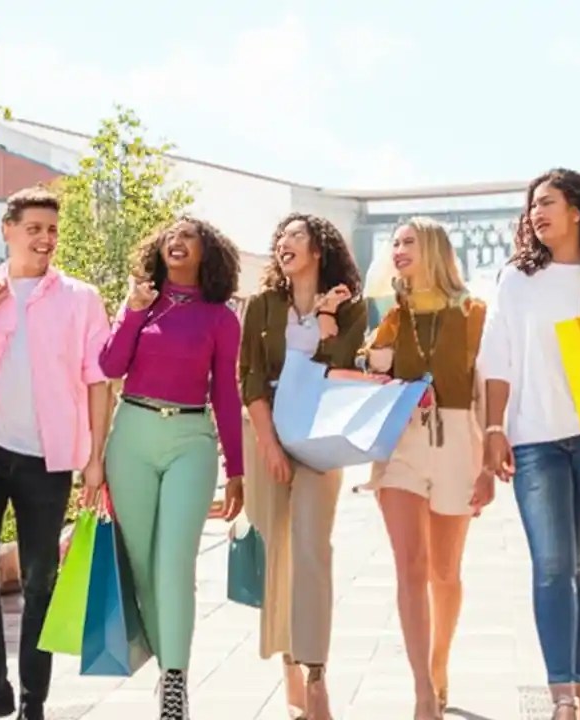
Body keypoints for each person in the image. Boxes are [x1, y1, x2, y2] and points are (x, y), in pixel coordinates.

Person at [0, 185, 112, 720]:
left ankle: (33, 698)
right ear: (9, 230)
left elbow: (97, 380)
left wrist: (95, 458)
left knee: (41, 580)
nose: (46, 239)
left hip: (47, 460)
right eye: (35, 228)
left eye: (52, 230)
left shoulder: (80, 299)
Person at [480, 168, 580, 720]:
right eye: (532, 205)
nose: (536, 213)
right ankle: (560, 696)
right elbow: (498, 356)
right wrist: (494, 429)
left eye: (548, 203)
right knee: (552, 565)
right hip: (536, 438)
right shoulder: (517, 279)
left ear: (577, 212)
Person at [96, 216, 245, 720]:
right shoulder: (140, 302)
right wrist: (134, 313)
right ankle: (166, 671)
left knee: (174, 564)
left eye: (189, 236)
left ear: (208, 252)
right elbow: (111, 366)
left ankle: (176, 684)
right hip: (132, 436)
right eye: (170, 236)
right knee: (141, 566)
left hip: (191, 441)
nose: (177, 242)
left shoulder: (221, 317)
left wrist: (237, 470)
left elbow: (225, 393)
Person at [358, 217, 493, 720]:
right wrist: (376, 339)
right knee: (410, 567)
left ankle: (439, 664)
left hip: (458, 441)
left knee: (444, 571)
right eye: (394, 243)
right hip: (402, 444)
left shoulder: (475, 313)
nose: (398, 250)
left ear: (433, 248)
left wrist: (488, 462)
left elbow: (485, 390)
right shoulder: (393, 313)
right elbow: (375, 373)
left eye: (408, 242)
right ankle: (420, 690)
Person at [238, 212, 367, 720]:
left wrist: (327, 321)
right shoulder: (262, 304)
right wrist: (267, 443)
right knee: (277, 554)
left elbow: (342, 366)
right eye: (280, 237)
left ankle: (316, 674)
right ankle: (289, 665)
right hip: (265, 427)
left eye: (295, 235)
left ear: (319, 249)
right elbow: (248, 375)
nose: (283, 242)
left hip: (319, 432)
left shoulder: (351, 309)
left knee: (313, 547)